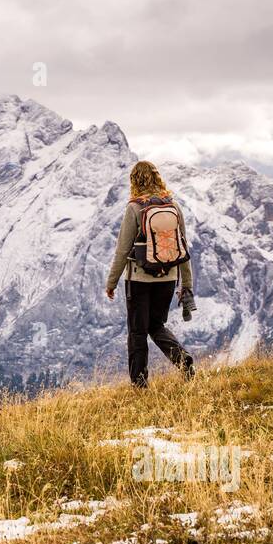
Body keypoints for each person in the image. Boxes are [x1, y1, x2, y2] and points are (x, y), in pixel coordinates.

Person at [105, 161, 196, 387]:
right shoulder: (173, 206)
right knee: (156, 325)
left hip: (139, 279)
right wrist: (186, 283)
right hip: (168, 278)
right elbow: (183, 248)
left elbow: (122, 249)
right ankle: (183, 360)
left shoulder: (135, 208)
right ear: (157, 178)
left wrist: (111, 283)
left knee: (137, 332)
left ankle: (140, 383)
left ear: (134, 181)